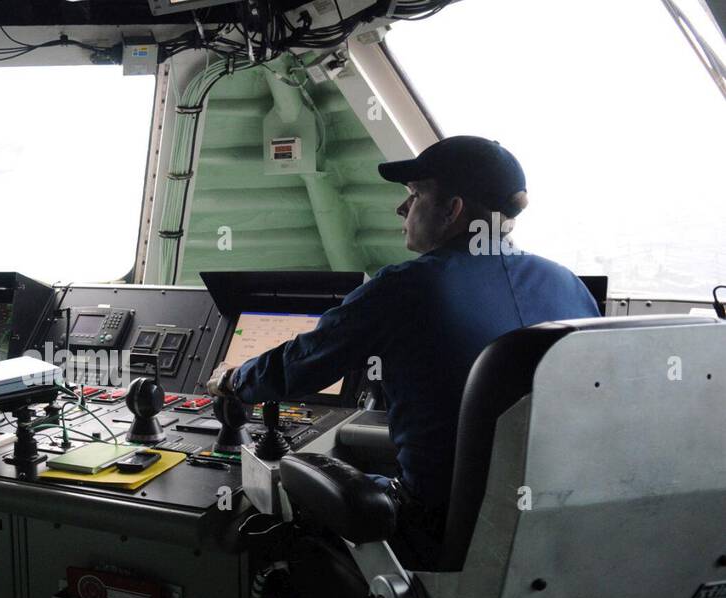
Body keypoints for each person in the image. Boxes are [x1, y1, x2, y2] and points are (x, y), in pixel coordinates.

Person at [207, 136, 599, 564]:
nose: (401, 209)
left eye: (413, 196)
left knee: (267, 519)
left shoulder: (404, 288)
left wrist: (233, 380)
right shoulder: (568, 285)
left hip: (438, 531)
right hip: (554, 529)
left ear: (452, 210)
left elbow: (301, 365)